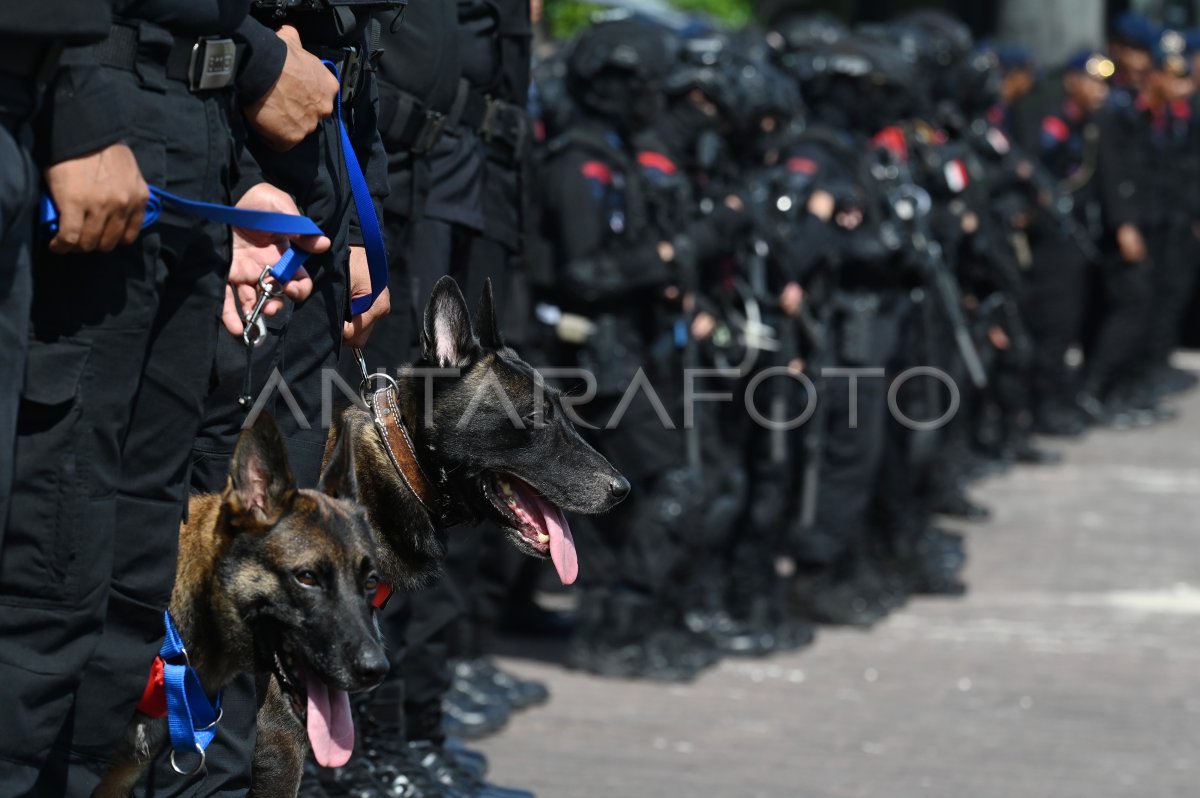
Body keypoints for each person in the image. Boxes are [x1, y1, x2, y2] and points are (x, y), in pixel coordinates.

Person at [0, 1, 329, 794]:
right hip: (99, 109)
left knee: (135, 572)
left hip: (190, 132)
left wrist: (239, 173)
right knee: (55, 558)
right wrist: (78, 113)